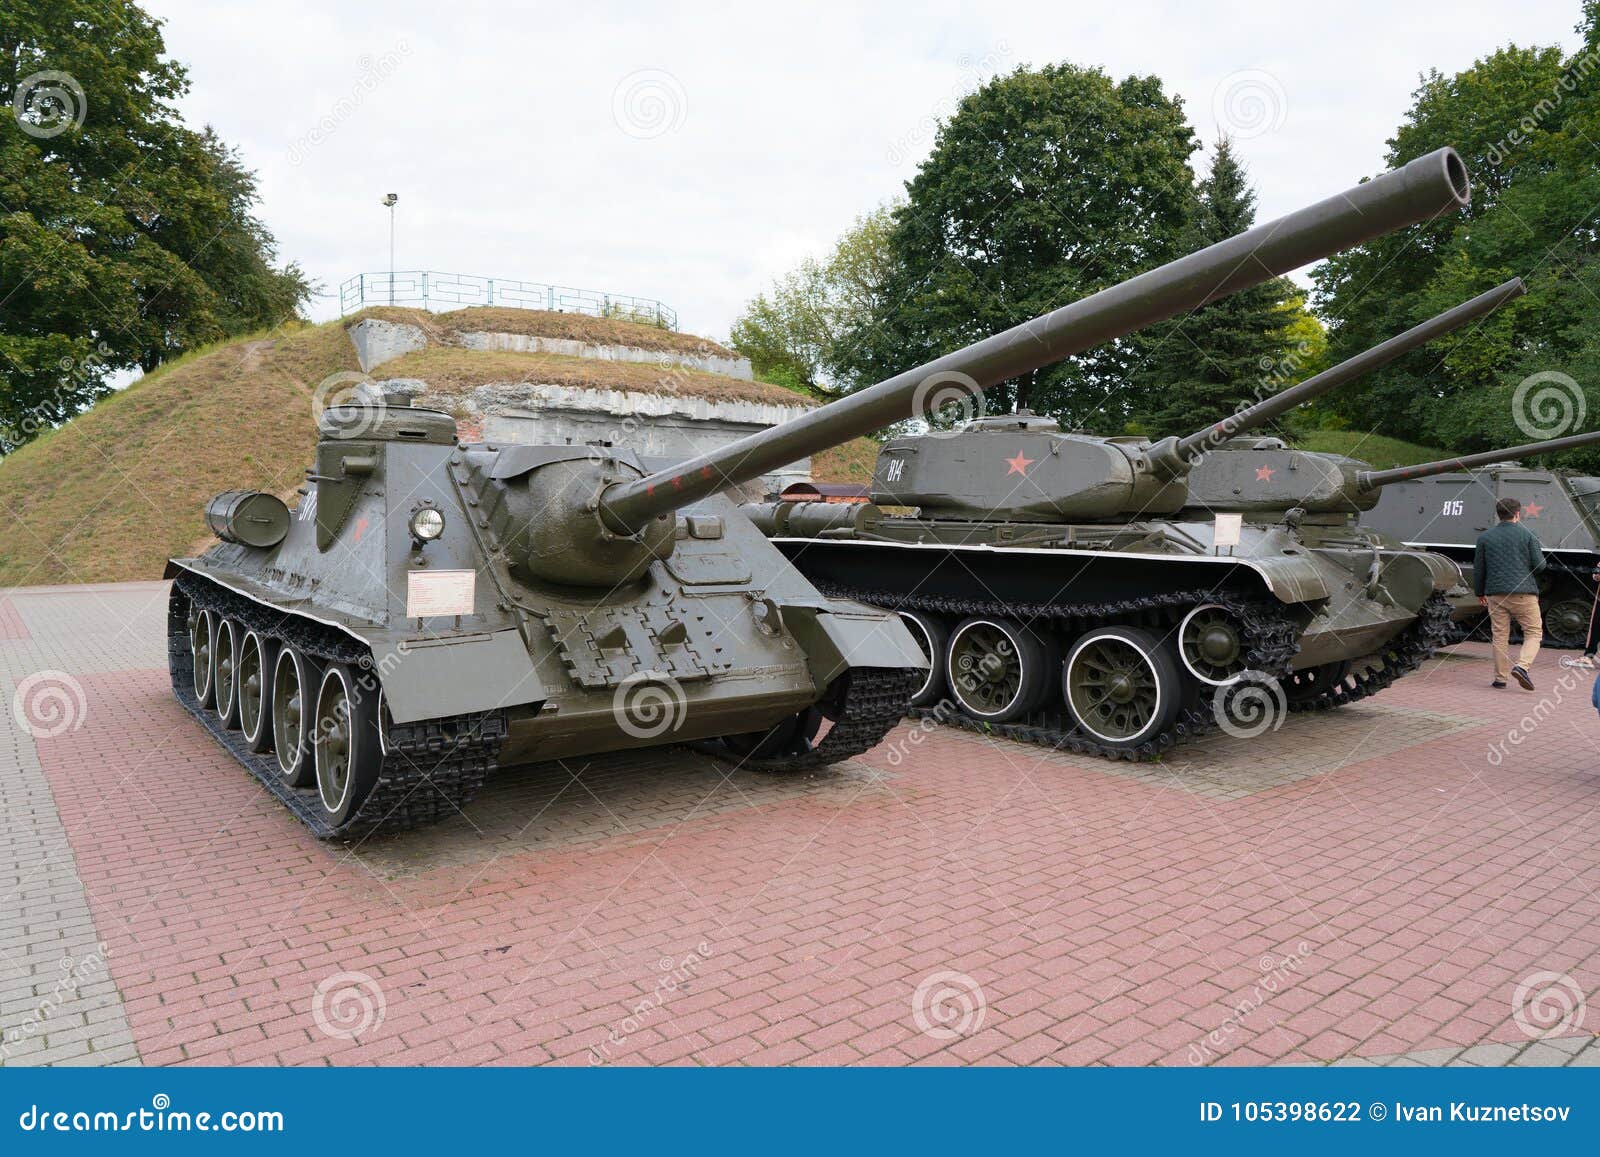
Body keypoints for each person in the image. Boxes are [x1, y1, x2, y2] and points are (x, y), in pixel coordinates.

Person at [1473, 496, 1546, 689]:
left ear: (1499, 515)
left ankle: (1500, 679)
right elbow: (1540, 566)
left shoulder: (1485, 537)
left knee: (1499, 635)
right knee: (1533, 632)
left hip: (1495, 594)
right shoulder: (1529, 534)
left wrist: (1480, 592)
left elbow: (1479, 569)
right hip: (1524, 593)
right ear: (1517, 514)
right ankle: (1522, 667)